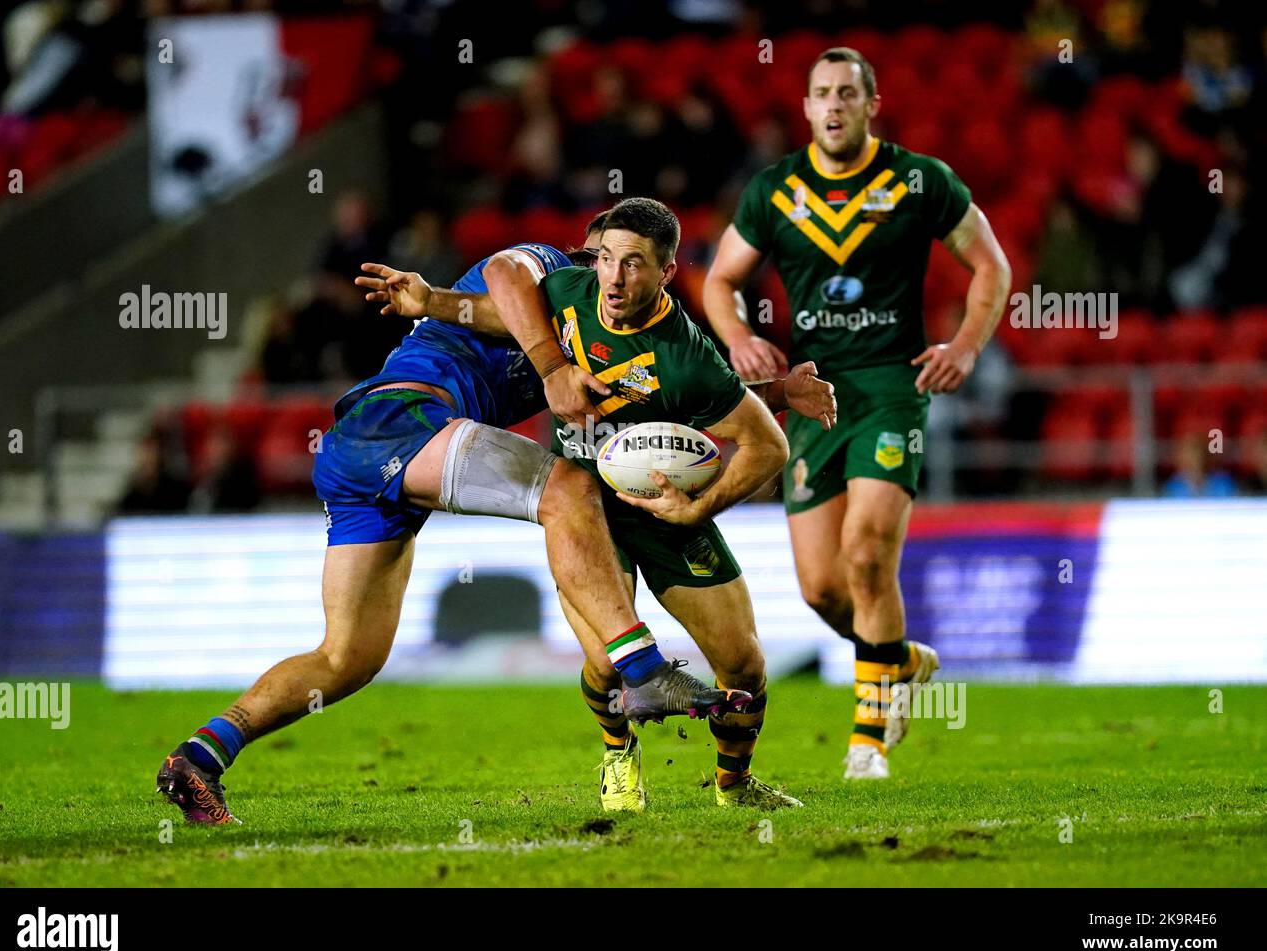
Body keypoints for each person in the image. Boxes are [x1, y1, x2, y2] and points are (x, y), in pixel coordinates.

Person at [155, 240, 745, 826]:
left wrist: (771, 393)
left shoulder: (595, 338)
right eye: (607, 264)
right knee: (567, 491)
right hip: (404, 417)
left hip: (362, 450)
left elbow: (679, 390)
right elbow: (503, 271)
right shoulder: (554, 275)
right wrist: (550, 365)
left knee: (345, 658)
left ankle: (200, 757)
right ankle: (643, 671)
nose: (613, 285)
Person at [371, 200, 838, 811]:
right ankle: (618, 753)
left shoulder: (685, 354)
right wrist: (429, 300)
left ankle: (734, 784)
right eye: (607, 259)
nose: (614, 279)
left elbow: (764, 446)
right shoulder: (569, 292)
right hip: (584, 509)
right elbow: (497, 313)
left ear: (668, 272)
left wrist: (699, 509)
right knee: (607, 662)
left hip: (666, 512)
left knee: (744, 667)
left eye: (635, 264)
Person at [702, 48, 1012, 779]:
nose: (834, 104)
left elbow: (991, 265)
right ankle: (896, 656)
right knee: (821, 588)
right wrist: (741, 336)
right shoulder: (775, 190)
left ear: (873, 104)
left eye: (847, 92)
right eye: (820, 94)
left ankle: (867, 743)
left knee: (869, 554)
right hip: (811, 394)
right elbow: (720, 281)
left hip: (891, 387)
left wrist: (966, 346)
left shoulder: (918, 180)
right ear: (805, 109)